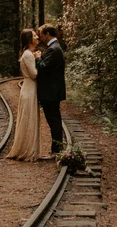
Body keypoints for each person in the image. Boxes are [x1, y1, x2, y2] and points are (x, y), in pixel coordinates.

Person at [7, 29, 40, 160]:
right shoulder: (28, 54)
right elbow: (34, 74)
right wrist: (39, 59)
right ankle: (27, 151)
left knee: (29, 119)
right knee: (28, 119)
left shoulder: (28, 53)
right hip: (29, 89)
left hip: (29, 88)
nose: (37, 37)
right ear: (29, 39)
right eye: (34, 35)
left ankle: (27, 149)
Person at [35, 24, 66, 155]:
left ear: (48, 34)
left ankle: (57, 149)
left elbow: (43, 67)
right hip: (52, 91)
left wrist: (37, 58)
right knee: (55, 120)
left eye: (41, 34)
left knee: (54, 121)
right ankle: (57, 148)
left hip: (51, 92)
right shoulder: (54, 47)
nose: (40, 37)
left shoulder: (53, 49)